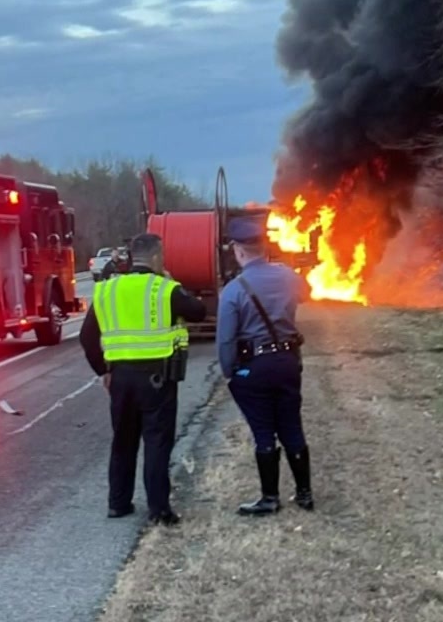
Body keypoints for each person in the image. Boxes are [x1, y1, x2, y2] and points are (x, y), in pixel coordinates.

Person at [80, 233, 207, 526]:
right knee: (156, 442)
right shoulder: (164, 289)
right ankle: (159, 509)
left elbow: (87, 338)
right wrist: (175, 283)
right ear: (156, 257)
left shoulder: (107, 290)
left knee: (123, 442)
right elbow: (198, 312)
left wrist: (104, 371)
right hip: (156, 378)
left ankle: (118, 503)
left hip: (120, 379)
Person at [216, 215, 314, 516]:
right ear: (264, 246)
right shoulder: (288, 276)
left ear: (238, 250)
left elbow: (226, 341)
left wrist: (230, 372)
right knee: (291, 425)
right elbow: (307, 294)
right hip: (287, 361)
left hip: (253, 367)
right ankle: (305, 493)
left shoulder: (233, 290)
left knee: (263, 431)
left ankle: (270, 498)